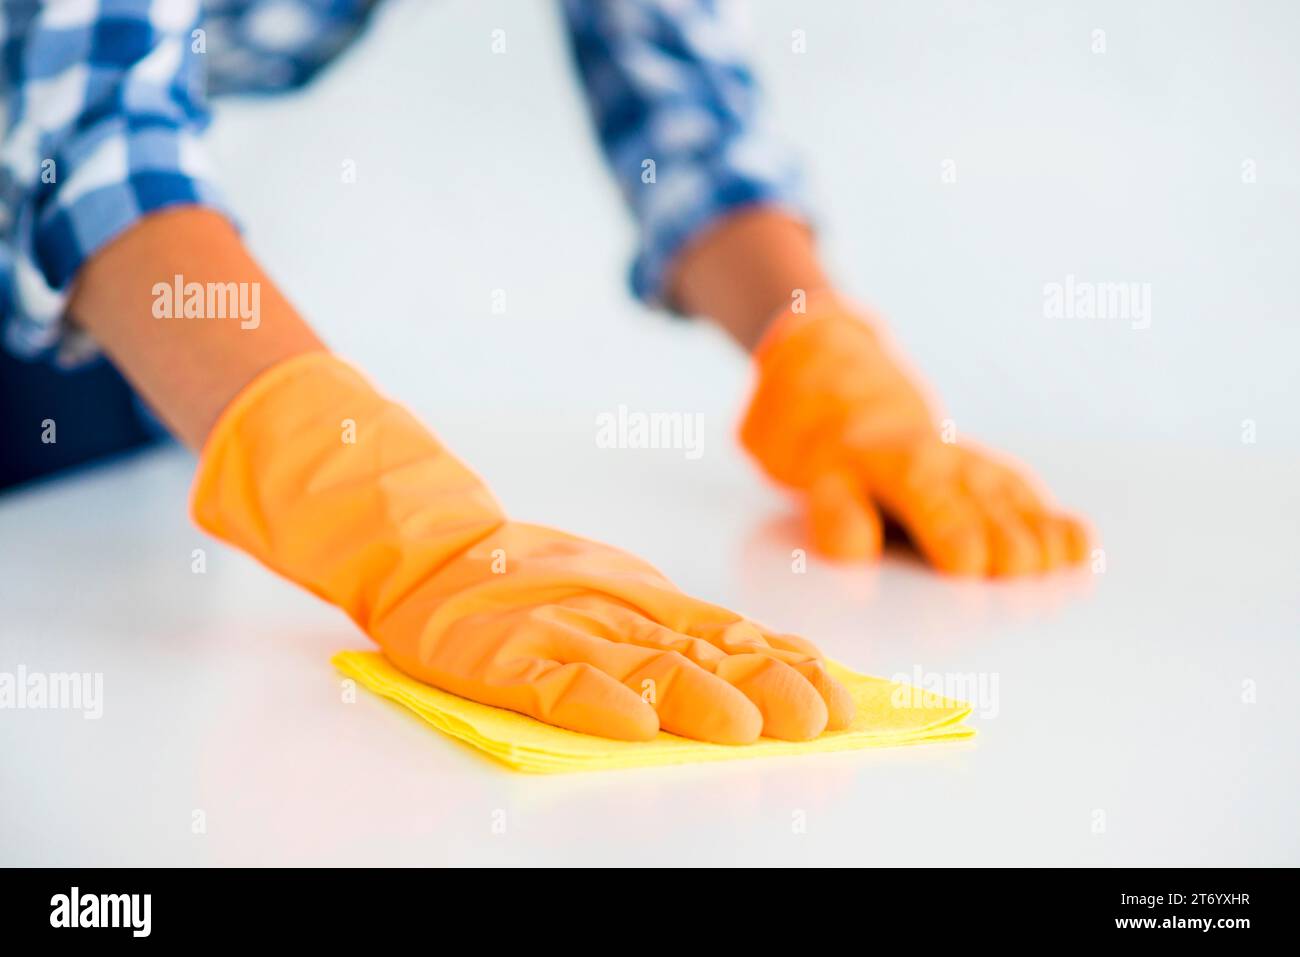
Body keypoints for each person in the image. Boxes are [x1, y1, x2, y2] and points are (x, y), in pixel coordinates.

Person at [0, 1, 1088, 744]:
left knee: (105, 612)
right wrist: (410, 535)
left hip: (99, 282)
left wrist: (832, 363)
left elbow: (686, 117)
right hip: (90, 233)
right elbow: (87, 142)